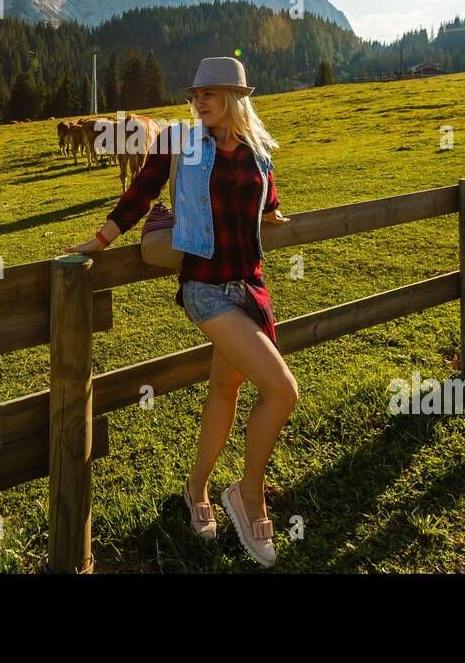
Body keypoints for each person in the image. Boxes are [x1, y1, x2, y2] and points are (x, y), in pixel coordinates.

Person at [63, 56, 296, 567]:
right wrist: (101, 238)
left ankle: (196, 491)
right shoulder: (177, 141)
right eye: (195, 95)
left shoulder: (258, 153)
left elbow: (271, 207)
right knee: (281, 390)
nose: (199, 102)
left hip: (250, 288)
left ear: (236, 98)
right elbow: (141, 192)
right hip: (206, 290)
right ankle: (248, 494)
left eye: (210, 93)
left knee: (224, 388)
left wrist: (280, 217)